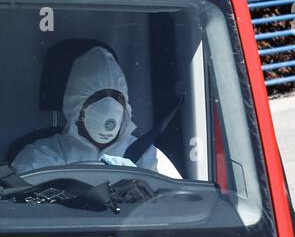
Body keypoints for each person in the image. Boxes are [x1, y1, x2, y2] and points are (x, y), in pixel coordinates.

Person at [13, 46, 180, 178]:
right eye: (97, 97)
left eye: (117, 97)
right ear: (76, 105)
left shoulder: (147, 155)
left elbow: (178, 202)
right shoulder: (43, 157)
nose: (109, 107)